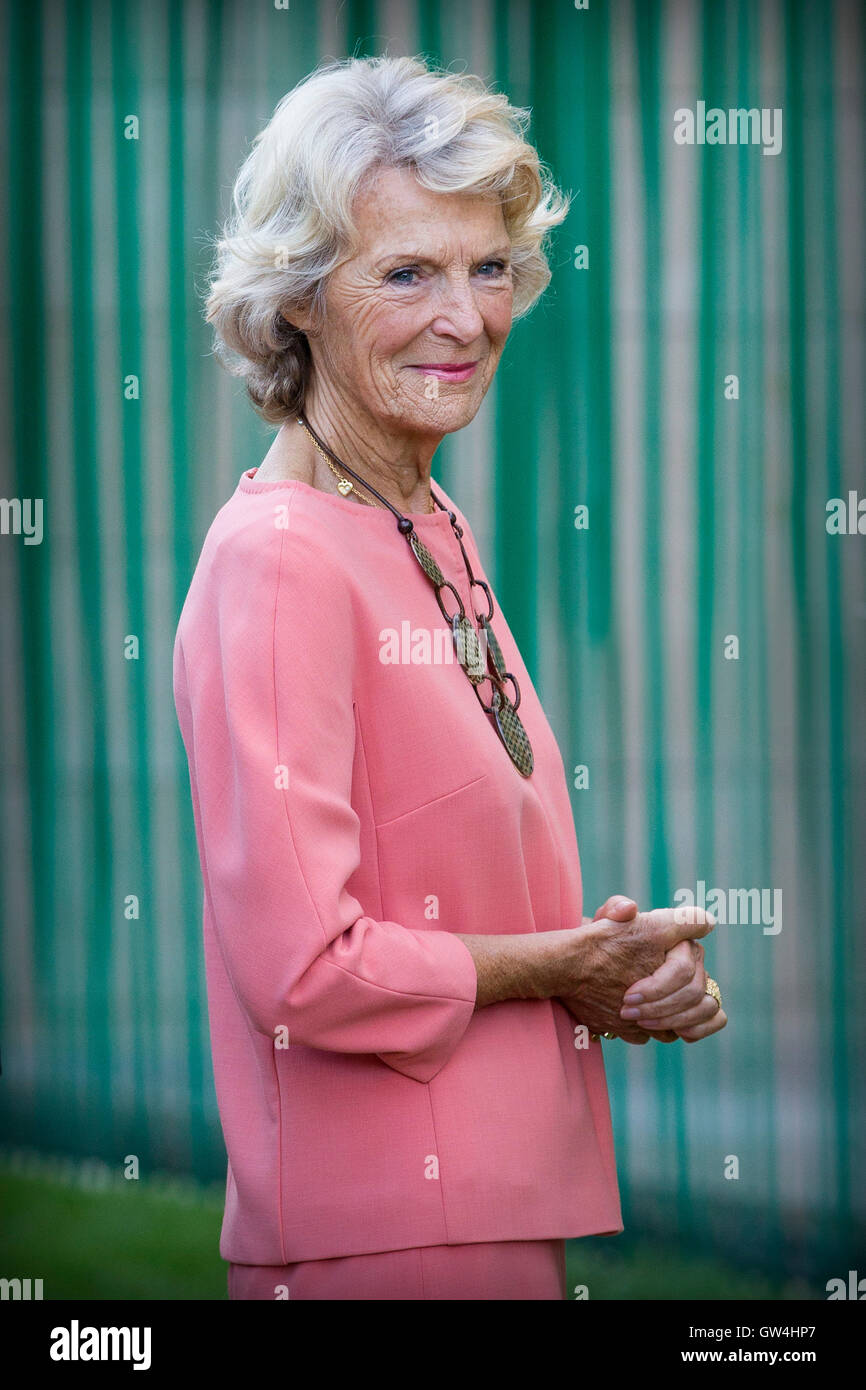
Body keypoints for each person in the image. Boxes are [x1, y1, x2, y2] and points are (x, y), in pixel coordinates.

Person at [173, 53, 727, 1302]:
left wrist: (612, 966)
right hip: (385, 1241)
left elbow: (448, 882)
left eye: (489, 269)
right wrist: (554, 968)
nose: (466, 317)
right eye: (407, 272)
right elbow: (306, 968)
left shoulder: (422, 516)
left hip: (488, 1214)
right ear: (299, 297)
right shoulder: (277, 561)